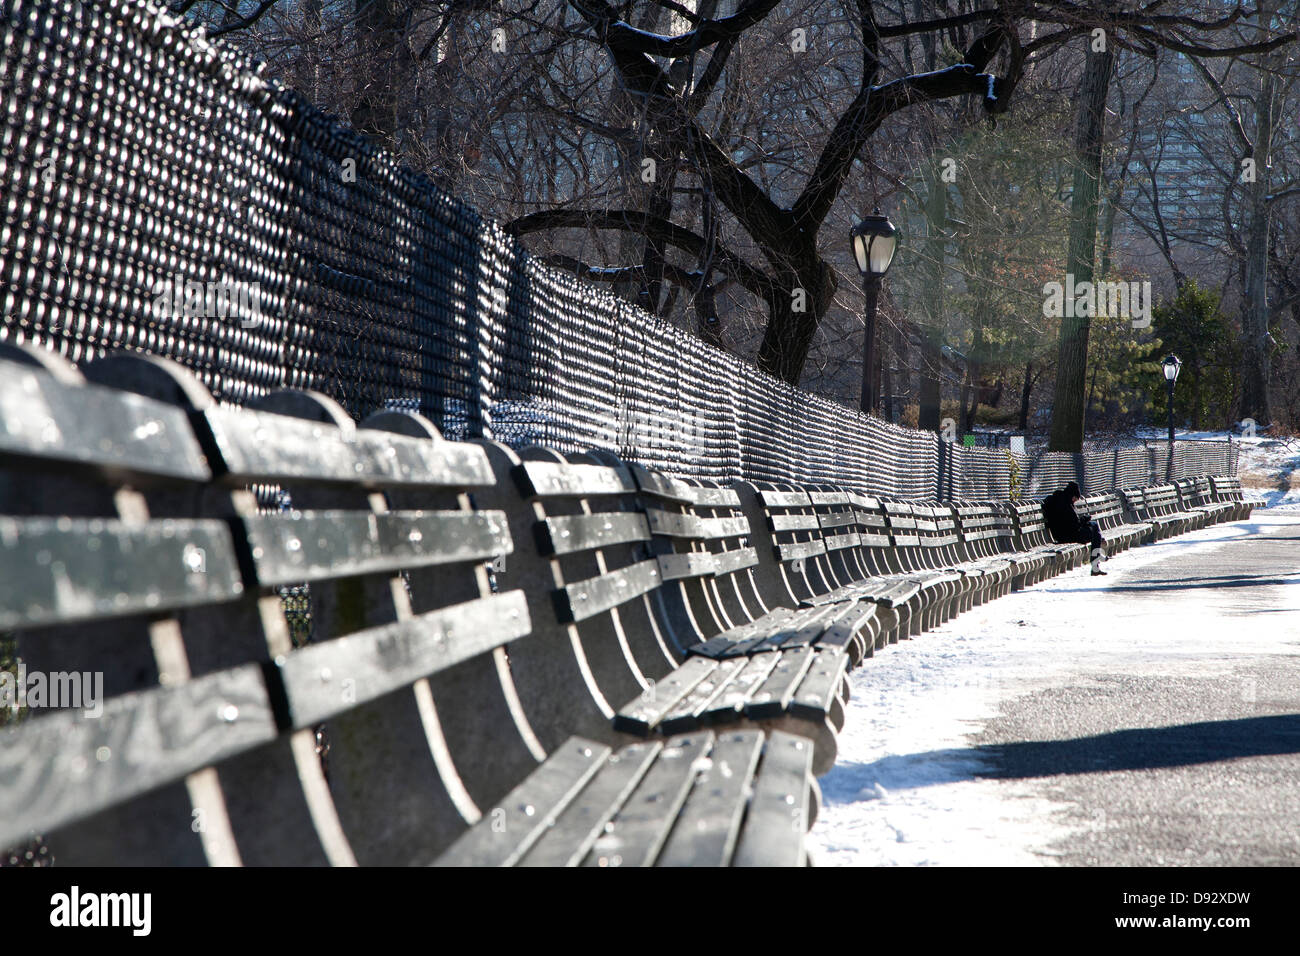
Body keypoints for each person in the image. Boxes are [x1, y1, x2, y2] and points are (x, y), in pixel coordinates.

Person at [1041, 481, 1107, 575]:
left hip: (1063, 533)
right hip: (1066, 535)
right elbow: (1074, 525)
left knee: (1094, 528)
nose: (1075, 501)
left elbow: (1070, 523)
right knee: (1096, 534)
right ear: (1072, 495)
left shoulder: (1059, 500)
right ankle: (1095, 566)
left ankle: (1096, 563)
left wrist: (1083, 521)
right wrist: (1084, 519)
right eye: (1075, 498)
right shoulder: (1064, 504)